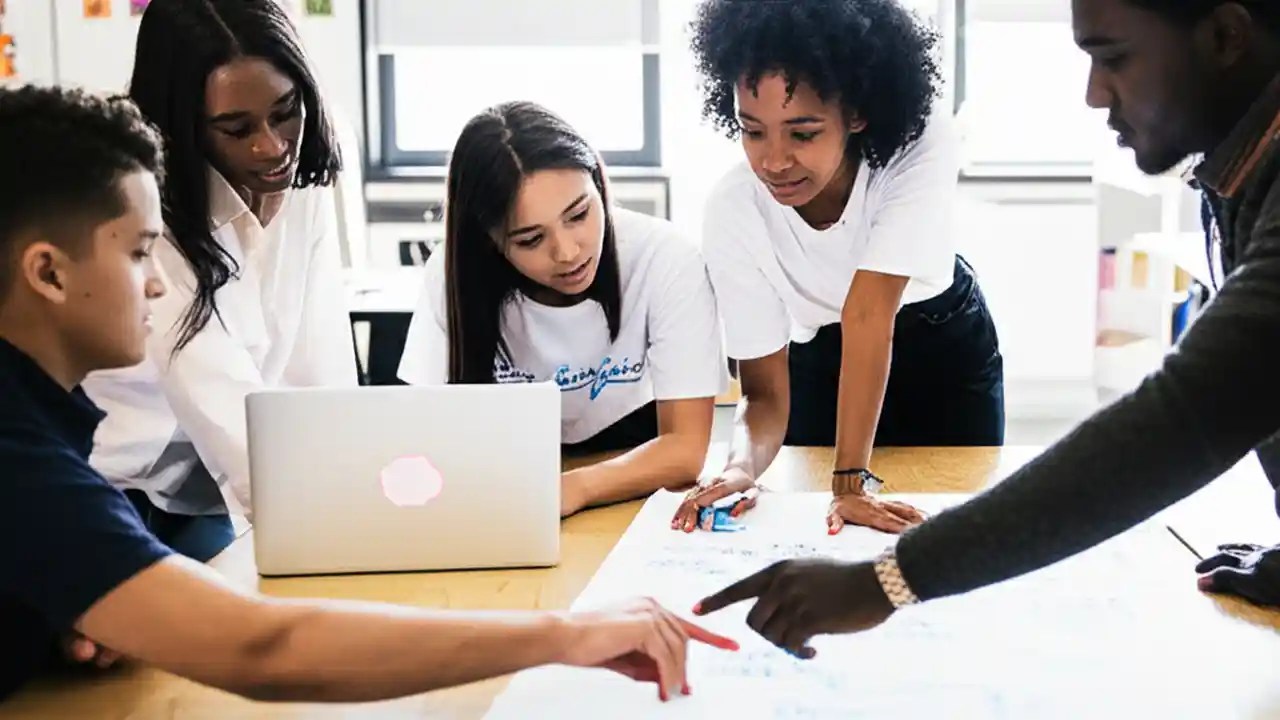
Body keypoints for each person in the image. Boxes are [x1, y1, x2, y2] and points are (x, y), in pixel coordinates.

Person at [0, 83, 736, 703]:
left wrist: (56, 606)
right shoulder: (21, 460)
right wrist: (575, 632)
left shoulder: (38, 434)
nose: (160, 283)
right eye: (138, 254)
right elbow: (262, 646)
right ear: (48, 273)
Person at [691, 0, 1280, 655]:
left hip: (942, 345)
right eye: (754, 131)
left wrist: (882, 580)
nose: (1090, 94)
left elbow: (1191, 415)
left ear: (1226, 36)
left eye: (1113, 57)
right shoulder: (1241, 171)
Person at [671, 0, 1005, 536]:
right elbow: (763, 395)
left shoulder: (918, 144)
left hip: (942, 349)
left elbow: (870, 311)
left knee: (957, 534)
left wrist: (849, 482)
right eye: (753, 131)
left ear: (856, 113)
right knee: (832, 540)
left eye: (802, 133)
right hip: (823, 361)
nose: (774, 162)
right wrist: (739, 468)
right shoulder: (732, 209)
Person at [82, 0, 358, 561]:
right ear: (180, 128)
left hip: (208, 488)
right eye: (236, 129)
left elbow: (320, 372)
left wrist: (356, 486)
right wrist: (342, 530)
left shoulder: (304, 177)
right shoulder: (149, 211)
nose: (273, 146)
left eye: (286, 111)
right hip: (122, 480)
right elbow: (225, 411)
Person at [398, 101, 728, 518]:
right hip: (506, 491)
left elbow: (683, 450)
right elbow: (423, 437)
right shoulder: (453, 275)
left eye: (579, 214)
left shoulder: (665, 258)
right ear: (490, 241)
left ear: (598, 183)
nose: (568, 252)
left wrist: (575, 488)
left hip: (634, 488)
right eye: (530, 240)